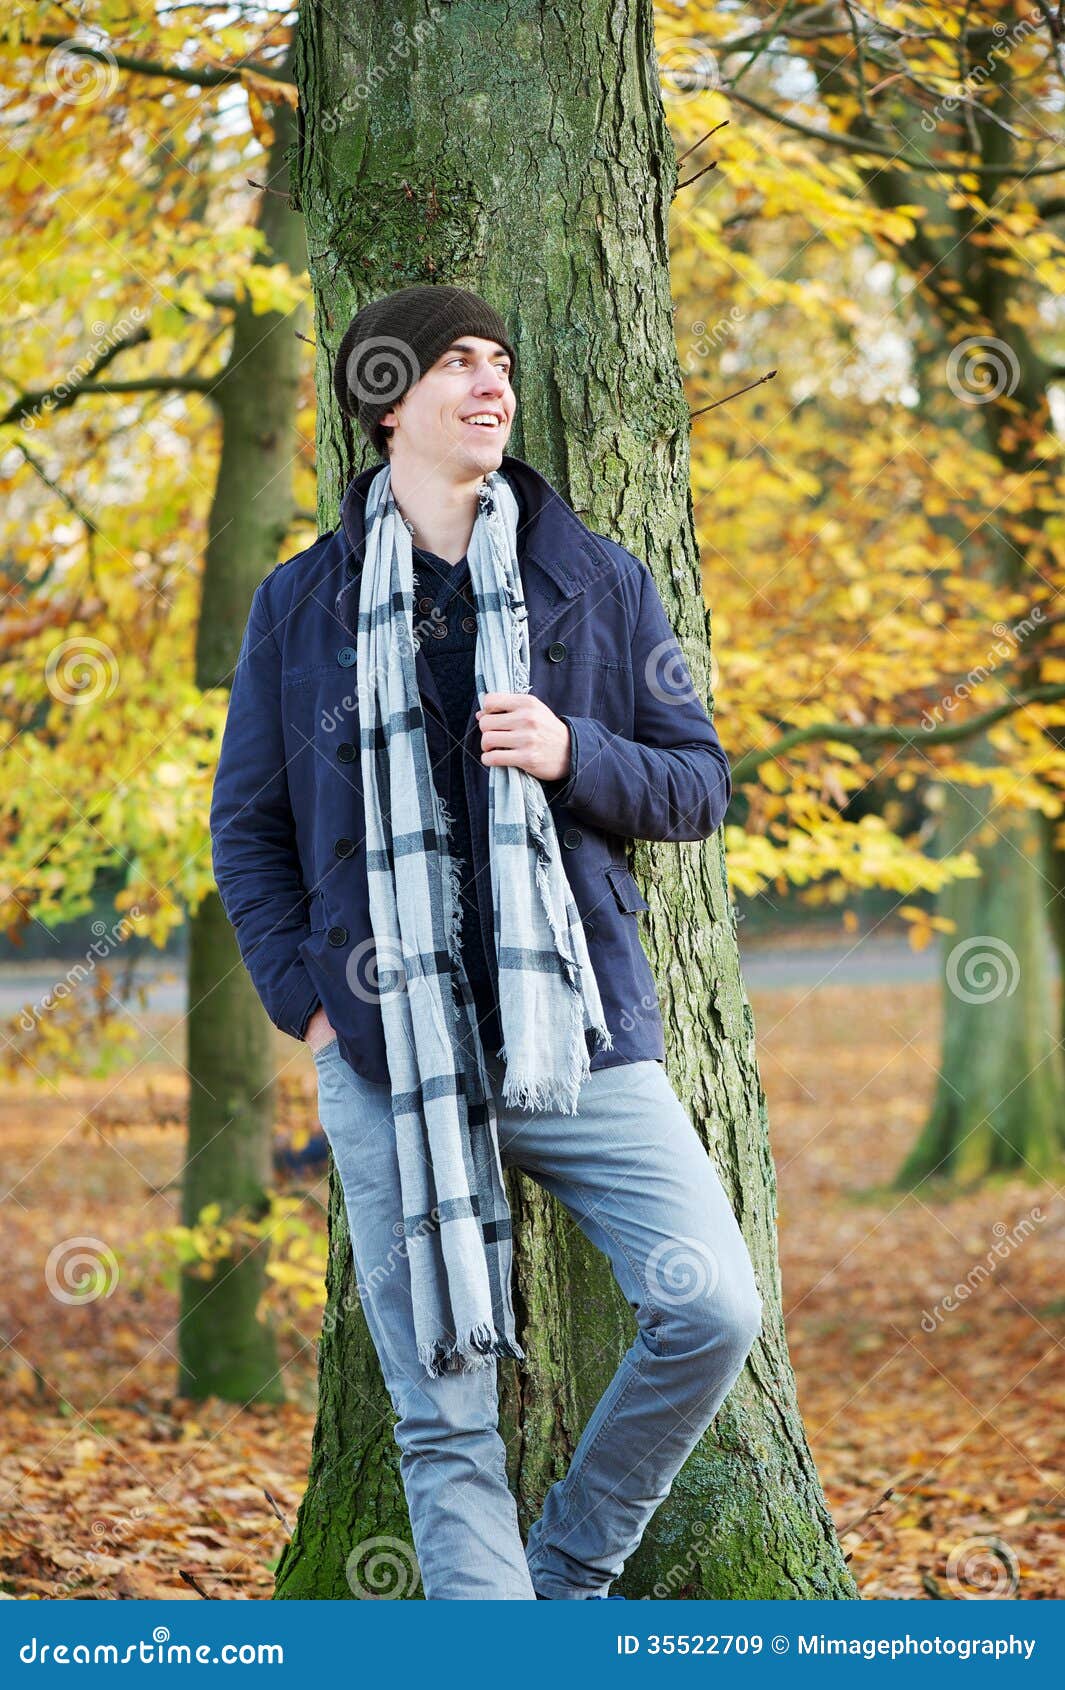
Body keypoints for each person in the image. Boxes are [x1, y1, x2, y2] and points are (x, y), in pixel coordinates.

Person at [209, 284, 763, 1600]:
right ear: (384, 401)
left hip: (577, 1036)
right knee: (443, 1414)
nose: (491, 383)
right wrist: (310, 1005)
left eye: (499, 360)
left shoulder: (596, 576)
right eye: (456, 361)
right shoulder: (300, 603)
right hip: (387, 1051)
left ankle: (565, 1574)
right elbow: (248, 826)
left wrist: (575, 752)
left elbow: (699, 785)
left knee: (711, 1306)